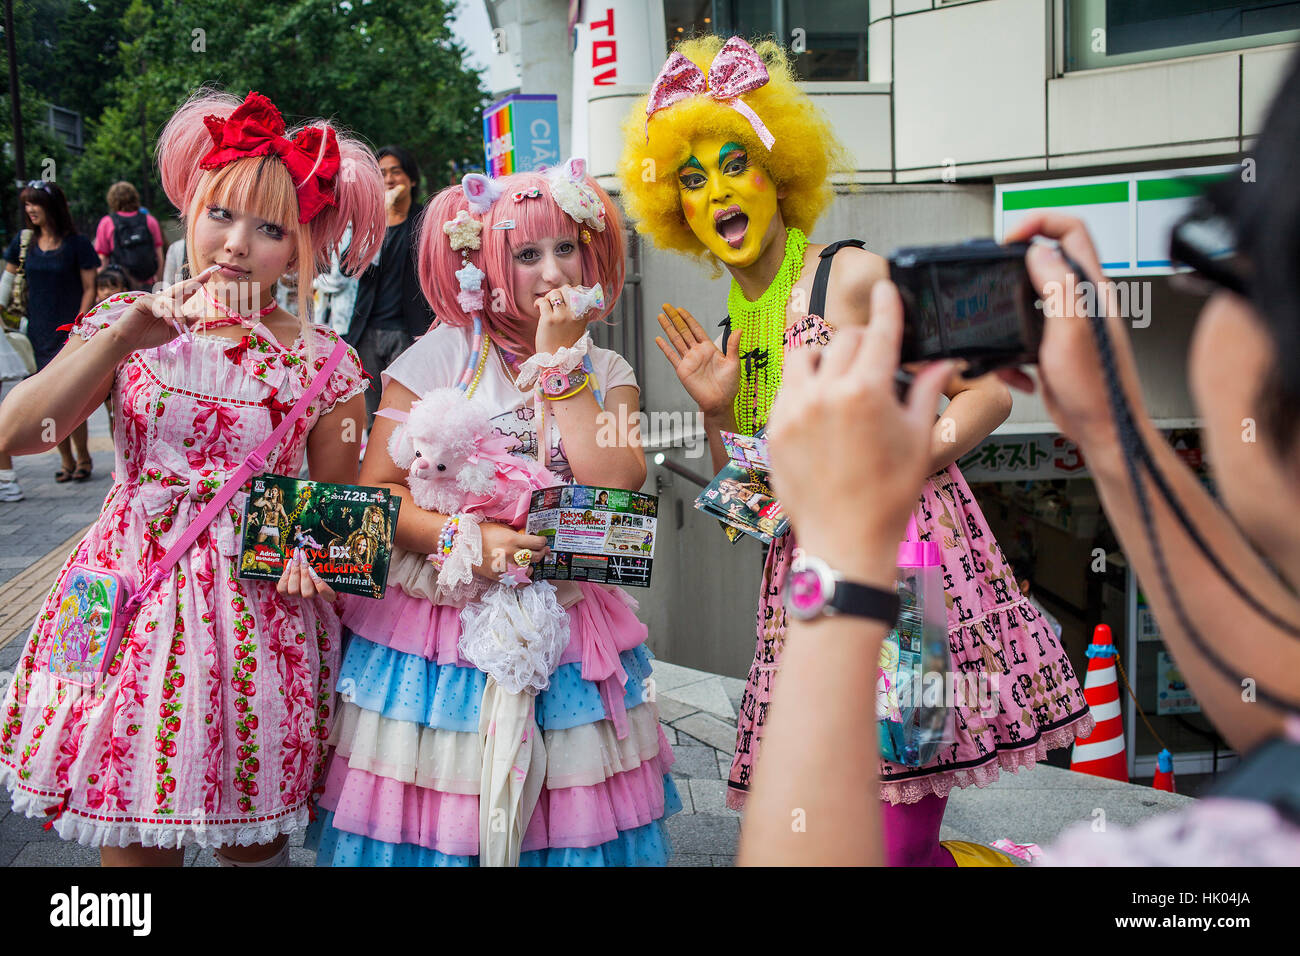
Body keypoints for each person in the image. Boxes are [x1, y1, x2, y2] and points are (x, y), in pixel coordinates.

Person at [738, 49, 1300, 867]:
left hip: (904, 572)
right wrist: (1107, 426)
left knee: (905, 775)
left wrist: (846, 544)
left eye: (1219, 256)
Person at [618, 35, 1093, 865]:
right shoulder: (734, 333)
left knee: (902, 830)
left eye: (736, 163)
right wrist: (719, 409)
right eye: (693, 181)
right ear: (680, 213)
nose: (718, 190)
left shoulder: (858, 273)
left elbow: (990, 390)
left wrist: (913, 455)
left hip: (916, 574)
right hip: (808, 597)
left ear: (779, 176)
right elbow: (753, 503)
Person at [0, 89, 385, 866]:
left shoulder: (329, 366)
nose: (236, 245)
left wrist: (319, 554)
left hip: (258, 617)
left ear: (303, 244)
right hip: (118, 595)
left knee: (252, 844)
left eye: (270, 228)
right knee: (130, 840)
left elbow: (342, 512)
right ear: (192, 209)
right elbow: (17, 434)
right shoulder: (128, 320)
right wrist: (120, 340)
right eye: (221, 214)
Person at [306, 160, 679, 866]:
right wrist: (466, 540)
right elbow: (380, 491)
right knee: (448, 814)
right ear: (486, 264)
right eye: (527, 254)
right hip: (438, 633)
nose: (551, 272)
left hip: (569, 630)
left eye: (565, 248)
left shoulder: (607, 372)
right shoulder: (435, 355)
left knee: (562, 818)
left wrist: (559, 367)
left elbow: (621, 493)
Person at [2, 181, 98, 482]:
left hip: (70, 330)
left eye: (36, 203)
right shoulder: (23, 242)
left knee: (71, 395)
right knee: (47, 399)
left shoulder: (76, 244)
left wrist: (79, 326)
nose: (30, 210)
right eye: (26, 204)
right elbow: (8, 280)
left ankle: (83, 457)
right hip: (37, 330)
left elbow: (89, 288)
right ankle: (66, 459)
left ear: (51, 207)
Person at [345, 145, 437, 427]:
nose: (389, 179)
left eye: (395, 172)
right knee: (371, 414)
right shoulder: (370, 222)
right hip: (367, 331)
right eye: (382, 173)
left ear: (410, 179)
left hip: (410, 332)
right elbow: (347, 267)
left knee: (409, 412)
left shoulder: (427, 220)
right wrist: (378, 222)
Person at [94, 181, 165, 290]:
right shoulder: (150, 220)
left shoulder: (107, 222)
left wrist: (98, 286)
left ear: (111, 200)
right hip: (148, 284)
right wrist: (158, 284)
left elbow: (102, 259)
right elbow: (159, 257)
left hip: (120, 286)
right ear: (135, 197)